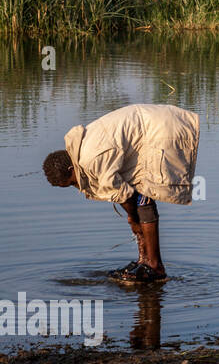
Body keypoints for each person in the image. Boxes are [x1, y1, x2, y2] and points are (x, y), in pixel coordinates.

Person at [43, 103, 201, 282]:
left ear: (72, 168)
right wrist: (132, 218)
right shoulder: (80, 152)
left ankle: (155, 267)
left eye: (72, 183)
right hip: (147, 131)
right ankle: (145, 261)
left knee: (145, 197)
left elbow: (122, 193)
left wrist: (133, 219)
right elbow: (118, 189)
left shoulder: (91, 160)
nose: (77, 187)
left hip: (160, 132)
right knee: (141, 197)